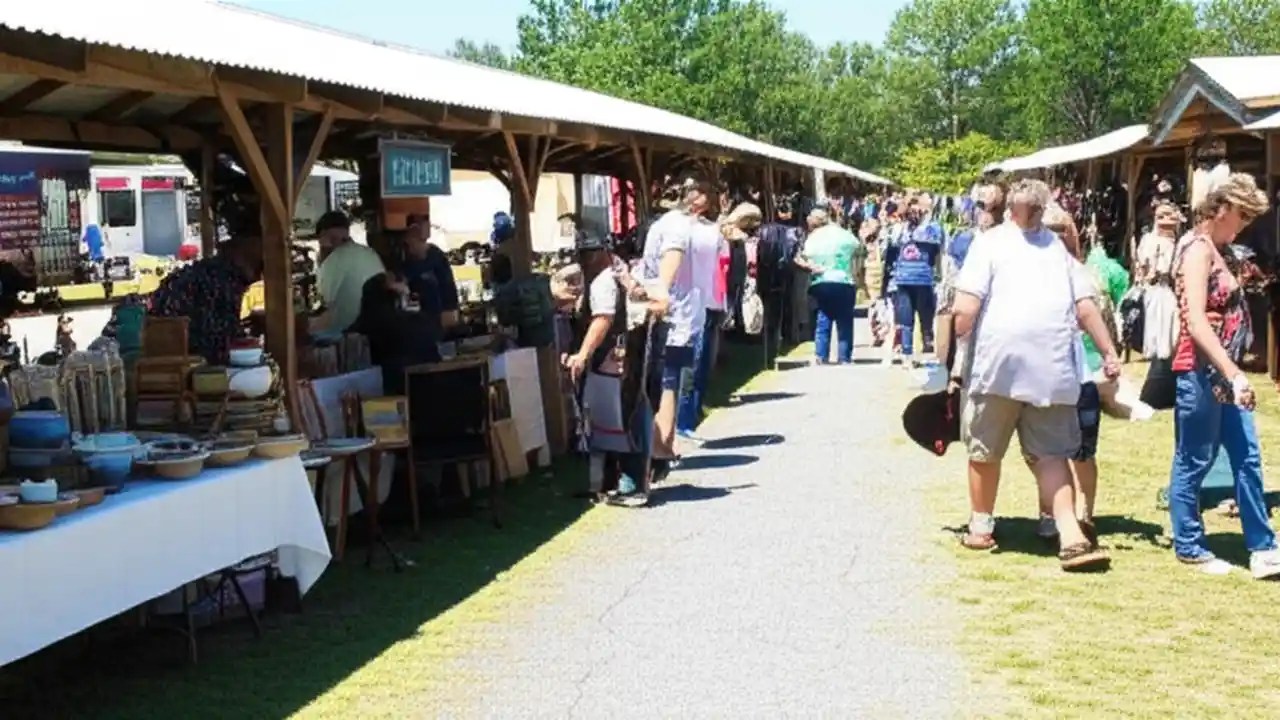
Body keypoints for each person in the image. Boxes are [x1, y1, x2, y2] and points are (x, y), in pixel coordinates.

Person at [952, 179, 1118, 572]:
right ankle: (1067, 533)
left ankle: (981, 527)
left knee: (985, 450)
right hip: (1052, 367)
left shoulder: (988, 243)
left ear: (1008, 208)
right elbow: (1086, 307)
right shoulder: (1058, 251)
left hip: (997, 364)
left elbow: (966, 308)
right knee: (1050, 454)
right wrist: (1109, 352)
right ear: (1043, 210)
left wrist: (954, 353)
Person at [1166, 173, 1280, 579]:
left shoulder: (1225, 251)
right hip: (1201, 372)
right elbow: (1195, 321)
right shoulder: (1196, 250)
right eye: (1243, 215)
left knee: (1247, 456)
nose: (1245, 224)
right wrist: (1233, 373)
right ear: (1223, 209)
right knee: (1195, 458)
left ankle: (1263, 546)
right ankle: (1189, 544)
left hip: (1228, 375)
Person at [1035, 206, 1124, 543]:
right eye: (1048, 229)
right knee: (1045, 451)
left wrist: (1109, 354)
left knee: (1082, 451)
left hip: (1080, 374)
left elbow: (1090, 314)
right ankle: (1050, 512)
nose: (1055, 236)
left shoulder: (1080, 273)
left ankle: (1085, 513)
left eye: (1061, 230)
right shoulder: (1024, 273)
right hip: (1041, 376)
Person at [639, 178, 710, 495]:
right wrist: (662, 293)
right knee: (670, 381)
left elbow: (674, 256)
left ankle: (661, 446)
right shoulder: (681, 226)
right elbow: (675, 257)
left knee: (669, 380)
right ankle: (662, 446)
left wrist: (661, 293)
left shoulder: (674, 225)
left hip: (677, 317)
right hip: (679, 316)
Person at [565, 230, 632, 502]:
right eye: (582, 255)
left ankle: (611, 483)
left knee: (606, 422)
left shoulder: (604, 281)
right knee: (600, 423)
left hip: (606, 357)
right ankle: (600, 485)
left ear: (603, 252)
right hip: (610, 356)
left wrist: (583, 354)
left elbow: (603, 319)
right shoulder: (609, 275)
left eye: (590, 254)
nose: (585, 260)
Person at [148, 235, 262, 364]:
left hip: (171, 349)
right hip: (179, 357)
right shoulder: (223, 280)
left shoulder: (208, 272)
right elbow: (217, 343)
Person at [794, 208, 859, 365]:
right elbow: (857, 246)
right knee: (845, 321)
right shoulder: (843, 234)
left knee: (823, 318)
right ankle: (844, 357)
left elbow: (805, 255)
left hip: (821, 281)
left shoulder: (813, 237)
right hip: (844, 280)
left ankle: (821, 355)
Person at [885, 196, 943, 366]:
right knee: (912, 318)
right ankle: (911, 352)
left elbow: (935, 245)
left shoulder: (928, 228)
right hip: (911, 278)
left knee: (918, 318)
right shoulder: (905, 228)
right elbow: (892, 246)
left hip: (916, 278)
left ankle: (917, 352)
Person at [312, 211, 385, 336]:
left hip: (351, 331)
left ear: (323, 237)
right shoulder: (369, 253)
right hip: (379, 326)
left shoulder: (335, 258)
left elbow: (323, 300)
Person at [756, 201, 800, 370]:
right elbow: (794, 255)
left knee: (766, 316)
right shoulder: (794, 232)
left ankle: (768, 353)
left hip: (764, 277)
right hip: (783, 277)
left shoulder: (762, 231)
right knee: (780, 314)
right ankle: (776, 348)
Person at [1135, 202, 1181, 361]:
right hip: (1154, 286)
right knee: (1155, 320)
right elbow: (1143, 263)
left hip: (1168, 286)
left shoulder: (1177, 242)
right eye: (1161, 216)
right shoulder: (1149, 239)